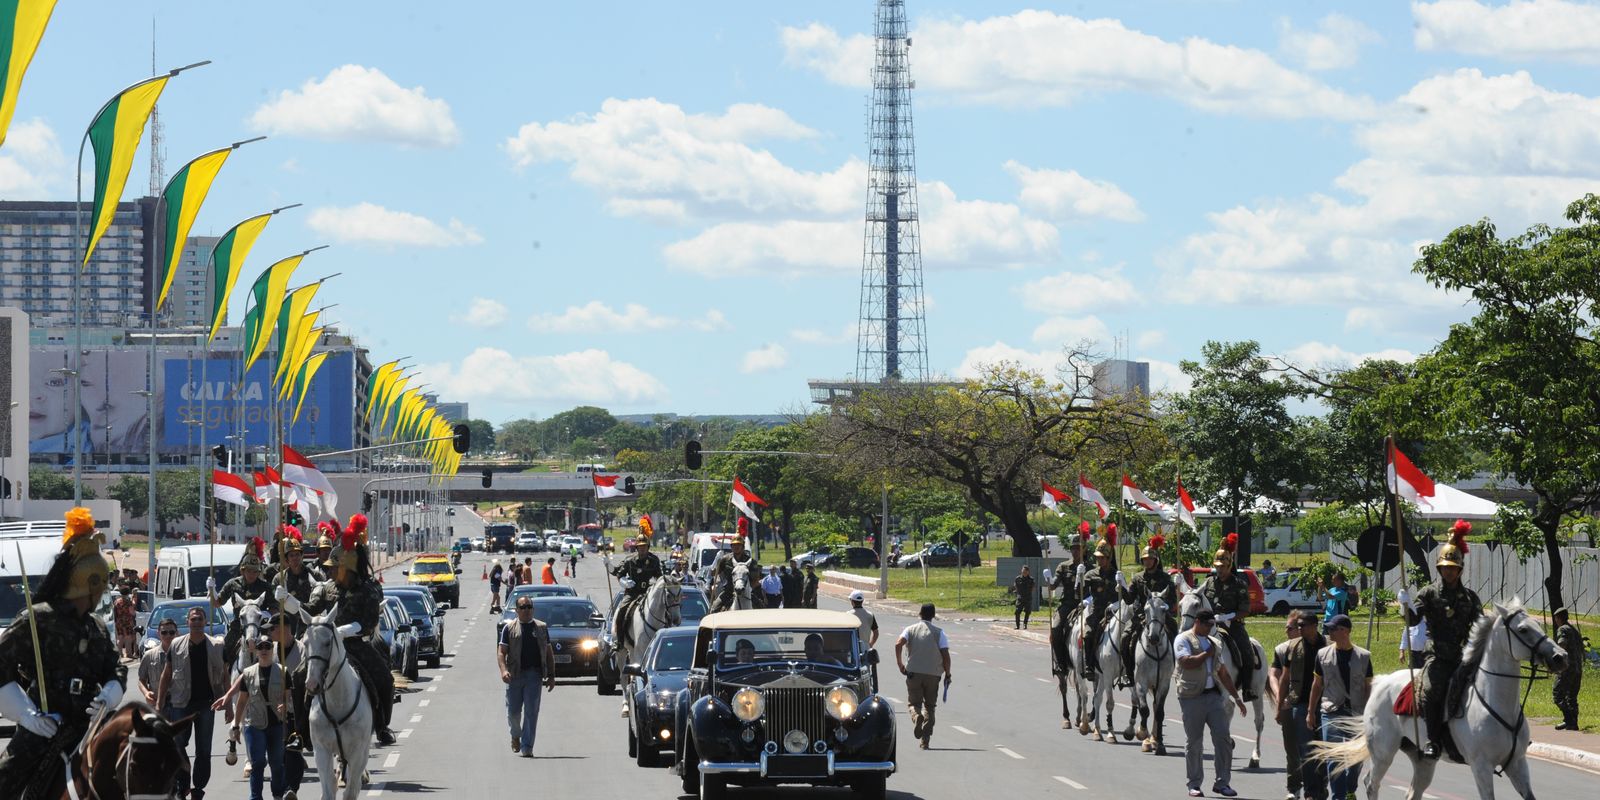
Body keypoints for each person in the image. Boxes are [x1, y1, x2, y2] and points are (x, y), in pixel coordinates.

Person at [0, 507, 125, 800]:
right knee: (6, 780)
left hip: (88, 723)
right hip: (45, 723)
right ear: (90, 585)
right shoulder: (37, 619)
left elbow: (115, 668)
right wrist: (28, 716)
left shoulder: (96, 627)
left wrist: (108, 696)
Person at [303, 514, 398, 747]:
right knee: (298, 677)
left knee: (384, 679)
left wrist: (350, 629)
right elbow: (310, 610)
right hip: (325, 644)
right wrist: (288, 603)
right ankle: (300, 731)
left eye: (335, 568)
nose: (331, 572)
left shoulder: (368, 590)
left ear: (347, 568)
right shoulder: (326, 588)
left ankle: (382, 726)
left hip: (355, 644)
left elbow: (370, 620)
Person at [1398, 520, 1482, 760]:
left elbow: (1480, 625)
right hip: (1438, 656)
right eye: (1445, 567)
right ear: (1439, 568)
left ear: (1460, 570)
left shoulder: (1470, 597)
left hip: (1464, 656)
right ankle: (1434, 741)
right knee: (1432, 693)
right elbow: (1413, 621)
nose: (1449, 571)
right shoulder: (1429, 593)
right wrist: (1406, 604)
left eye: (1453, 567)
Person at [1174, 609, 1248, 798]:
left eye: (1212, 625)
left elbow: (1223, 672)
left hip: (1214, 696)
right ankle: (1194, 783)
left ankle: (1222, 783)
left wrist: (1237, 698)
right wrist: (1207, 653)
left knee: (1223, 738)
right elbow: (1186, 662)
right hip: (1191, 697)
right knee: (1195, 742)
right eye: (1207, 624)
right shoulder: (1183, 639)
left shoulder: (1214, 643)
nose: (1210, 628)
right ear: (1197, 621)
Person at [159, 605, 229, 800]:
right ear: (187, 622)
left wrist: (229, 705)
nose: (197, 622)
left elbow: (225, 676)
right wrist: (159, 703)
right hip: (180, 704)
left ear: (206, 622)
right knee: (178, 745)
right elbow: (166, 675)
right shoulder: (176, 645)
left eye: (200, 619)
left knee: (204, 750)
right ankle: (183, 786)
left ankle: (198, 789)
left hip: (207, 705)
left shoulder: (217, 645)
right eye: (193, 619)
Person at [1307, 614, 1373, 800]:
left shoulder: (1364, 656)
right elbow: (1317, 684)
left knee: (1355, 759)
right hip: (1331, 711)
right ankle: (1339, 796)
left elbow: (1369, 687)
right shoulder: (1322, 654)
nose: (1328, 632)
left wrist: (1368, 715)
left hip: (1356, 713)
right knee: (1333, 758)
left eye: (1332, 629)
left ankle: (1350, 788)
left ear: (1344, 631)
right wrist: (1311, 712)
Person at [213, 636, 287, 800]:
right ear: (256, 650)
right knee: (258, 763)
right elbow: (241, 701)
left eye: (268, 646)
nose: (264, 650)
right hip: (254, 724)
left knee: (276, 764)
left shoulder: (283, 671)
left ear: (272, 649)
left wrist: (285, 705)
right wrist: (236, 725)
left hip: (277, 724)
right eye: (261, 647)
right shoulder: (248, 673)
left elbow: (289, 697)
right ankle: (255, 797)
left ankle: (278, 795)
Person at [497, 596, 556, 757]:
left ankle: (527, 746)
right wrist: (503, 670)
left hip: (534, 675)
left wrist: (551, 675)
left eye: (529, 607)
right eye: (523, 607)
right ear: (517, 610)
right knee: (513, 712)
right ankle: (516, 735)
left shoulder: (541, 628)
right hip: (514, 675)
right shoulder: (509, 628)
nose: (527, 610)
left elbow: (549, 653)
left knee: (531, 711)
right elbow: (501, 652)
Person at [1276, 611, 1326, 800]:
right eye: (1298, 626)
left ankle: (1321, 786)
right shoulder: (1293, 647)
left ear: (1314, 626)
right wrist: (1280, 706)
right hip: (1299, 703)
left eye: (1303, 625)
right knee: (1305, 751)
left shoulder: (1327, 646)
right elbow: (1285, 677)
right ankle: (1311, 792)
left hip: (1324, 705)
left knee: (1322, 750)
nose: (1300, 629)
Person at [1118, 535, 1177, 686]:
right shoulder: (1138, 578)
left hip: (1161, 616)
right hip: (1141, 616)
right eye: (1144, 559)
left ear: (1155, 560)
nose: (1147, 561)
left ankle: (1174, 667)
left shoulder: (1165, 578)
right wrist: (1122, 587)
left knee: (1175, 632)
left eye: (1150, 559)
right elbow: (1130, 600)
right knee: (1125, 638)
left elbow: (1172, 599)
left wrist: (1168, 606)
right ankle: (1129, 674)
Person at [1202, 533, 1256, 699]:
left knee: (1247, 652)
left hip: (1233, 626)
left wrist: (1228, 616)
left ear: (1229, 565)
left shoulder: (1239, 584)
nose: (1220, 570)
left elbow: (1245, 610)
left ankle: (1247, 688)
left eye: (1223, 567)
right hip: (1209, 624)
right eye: (1217, 567)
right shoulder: (1209, 582)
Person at [212, 538, 278, 666]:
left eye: (255, 571)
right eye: (249, 571)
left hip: (260, 628)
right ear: (242, 570)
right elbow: (217, 603)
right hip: (238, 628)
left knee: (275, 652)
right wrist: (211, 590)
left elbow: (275, 608)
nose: (252, 574)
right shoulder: (232, 584)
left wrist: (266, 614)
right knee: (224, 652)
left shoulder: (266, 586)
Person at [895, 603, 951, 750]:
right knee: (930, 707)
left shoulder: (910, 629)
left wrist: (900, 664)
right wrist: (948, 673)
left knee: (914, 703)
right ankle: (925, 741)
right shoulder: (940, 633)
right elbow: (945, 655)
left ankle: (916, 716)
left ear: (919, 614)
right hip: (933, 674)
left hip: (913, 672)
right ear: (933, 615)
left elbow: (898, 644)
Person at [1271, 614, 1306, 800]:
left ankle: (1315, 788)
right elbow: (1274, 675)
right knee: (1292, 749)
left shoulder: (1319, 647)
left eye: (1290, 628)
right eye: (1286, 627)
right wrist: (1279, 697)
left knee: (1311, 749)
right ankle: (1293, 787)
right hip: (1288, 703)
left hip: (1309, 704)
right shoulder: (1282, 649)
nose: (1286, 631)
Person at [1078, 529, 1120, 681]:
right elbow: (1080, 593)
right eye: (1097, 558)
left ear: (1109, 558)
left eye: (1102, 558)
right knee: (1088, 635)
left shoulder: (1117, 575)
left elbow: (1125, 597)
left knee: (1128, 634)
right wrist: (1080, 578)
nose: (1099, 561)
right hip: (1097, 612)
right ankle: (1089, 665)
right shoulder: (1091, 574)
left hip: (1114, 612)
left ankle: (1128, 668)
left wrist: (1116, 603)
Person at [709, 531, 763, 611]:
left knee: (762, 608)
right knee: (714, 609)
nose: (736, 547)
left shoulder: (751, 561)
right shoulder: (725, 559)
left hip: (747, 592)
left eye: (738, 545)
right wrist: (717, 561)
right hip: (729, 592)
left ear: (743, 546)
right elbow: (713, 573)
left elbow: (756, 579)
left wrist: (749, 589)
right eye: (734, 545)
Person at [140, 618, 179, 715]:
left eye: (171, 632)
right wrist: (146, 693)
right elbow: (141, 680)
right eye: (164, 632)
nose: (168, 635)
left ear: (177, 633)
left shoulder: (184, 654)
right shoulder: (149, 655)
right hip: (157, 704)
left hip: (179, 705)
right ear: (158, 633)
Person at [1552, 608, 1583, 730]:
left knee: (1558, 694)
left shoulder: (1563, 629)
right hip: (1577, 669)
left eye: (1556, 618)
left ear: (1558, 618)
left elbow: (1562, 645)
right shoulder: (1574, 630)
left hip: (1566, 668)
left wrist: (1555, 664)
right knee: (1571, 696)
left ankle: (1569, 719)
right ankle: (1572, 723)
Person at [849, 591, 880, 691]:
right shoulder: (870, 615)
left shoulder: (848, 615)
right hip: (866, 647)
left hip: (851, 648)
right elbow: (876, 633)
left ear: (852, 601)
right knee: (866, 672)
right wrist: (870, 644)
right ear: (862, 601)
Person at [113, 584, 139, 660]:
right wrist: (135, 613)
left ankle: (120, 653)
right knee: (128, 638)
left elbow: (115, 611)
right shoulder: (128, 602)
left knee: (120, 638)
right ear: (128, 593)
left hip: (119, 622)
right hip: (127, 622)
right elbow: (132, 612)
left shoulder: (117, 601)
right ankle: (129, 653)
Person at [1010, 565, 1036, 629]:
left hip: (1028, 597)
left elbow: (1033, 588)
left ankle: (1025, 624)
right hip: (1020, 597)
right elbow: (1015, 586)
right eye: (1023, 571)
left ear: (1028, 572)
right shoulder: (1018, 578)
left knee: (1027, 611)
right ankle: (1017, 625)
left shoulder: (1031, 579)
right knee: (1017, 612)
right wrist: (1018, 592)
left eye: (1025, 571)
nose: (1024, 572)